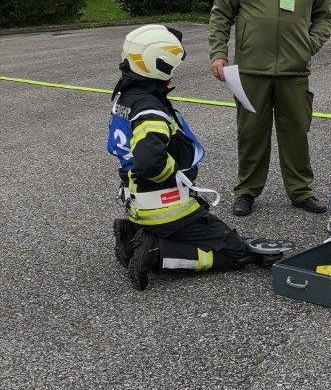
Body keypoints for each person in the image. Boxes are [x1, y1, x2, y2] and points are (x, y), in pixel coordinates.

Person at [108, 24, 291, 291]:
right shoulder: (150, 109)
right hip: (165, 208)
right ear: (157, 65)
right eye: (170, 66)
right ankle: (156, 252)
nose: (172, 74)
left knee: (203, 222)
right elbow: (150, 162)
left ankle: (133, 234)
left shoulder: (127, 96)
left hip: (138, 201)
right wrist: (174, 174)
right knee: (234, 251)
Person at [209, 0, 331, 216]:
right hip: (251, 72)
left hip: (294, 72)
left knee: (296, 132)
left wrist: (309, 46)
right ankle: (247, 192)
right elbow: (221, 13)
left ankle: (301, 192)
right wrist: (218, 53)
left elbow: (324, 16)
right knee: (251, 133)